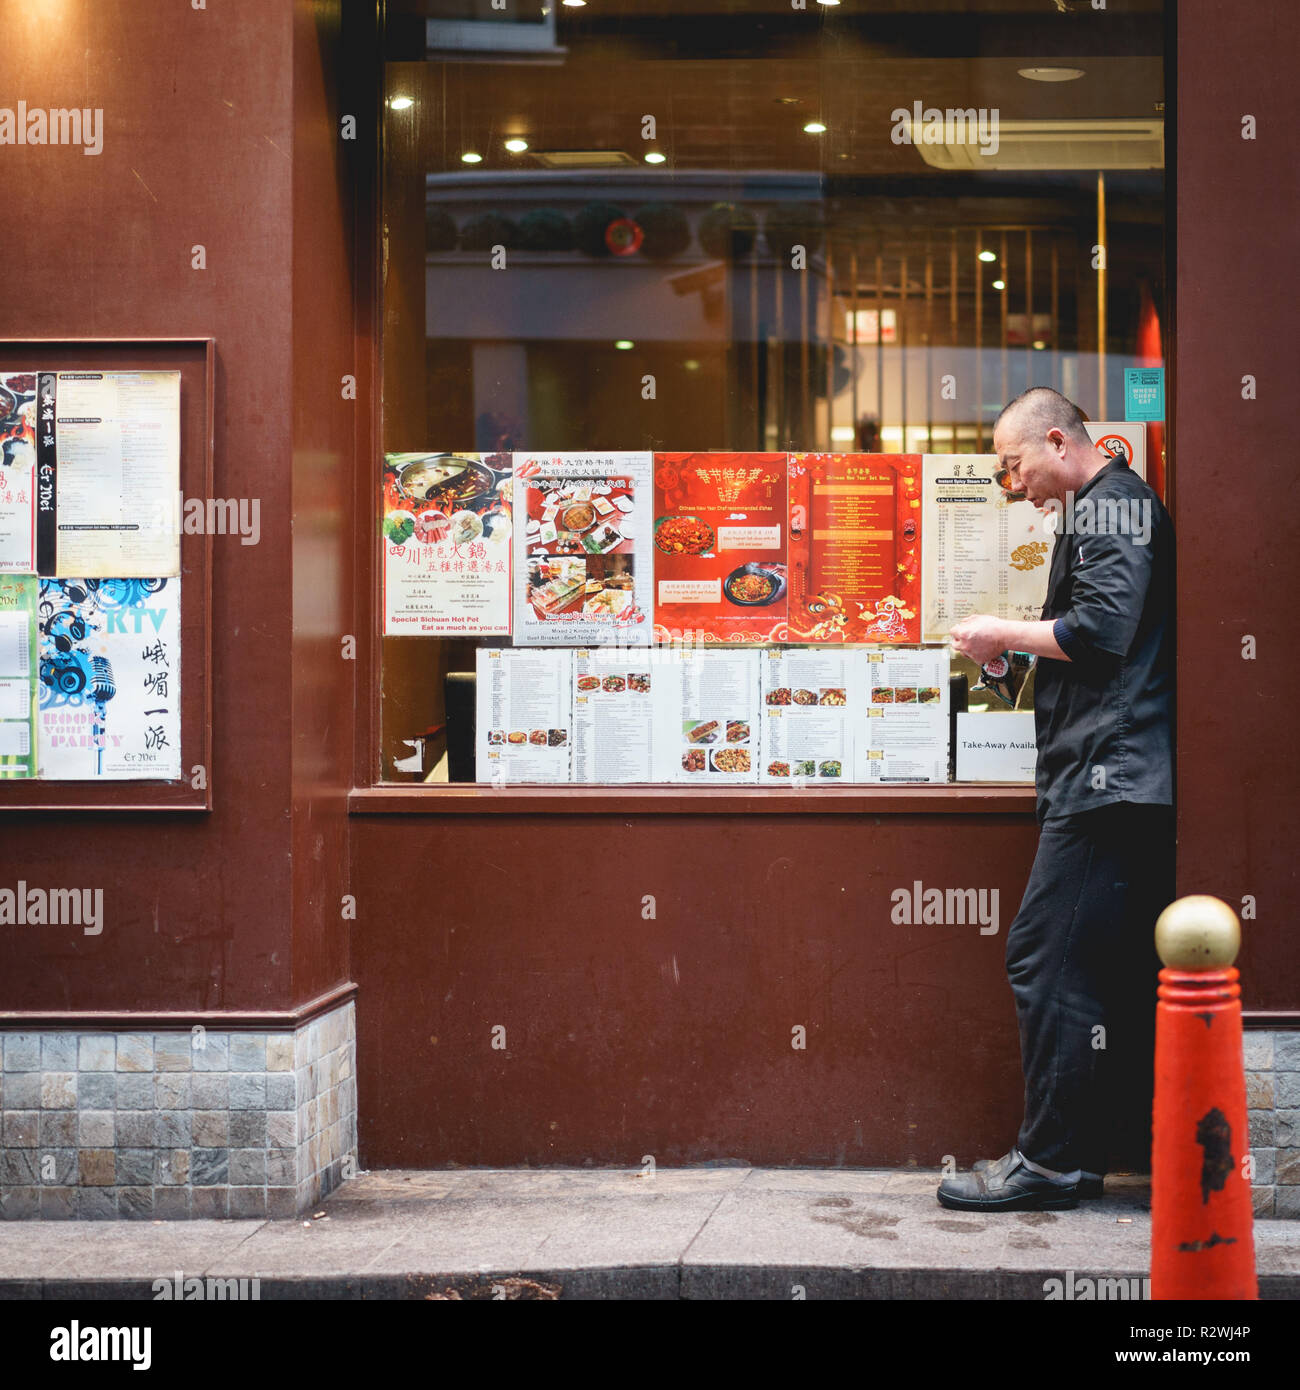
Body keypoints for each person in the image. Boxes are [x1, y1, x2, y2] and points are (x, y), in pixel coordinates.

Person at [941, 386, 1175, 1212]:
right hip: (1108, 774)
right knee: (1080, 968)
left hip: (1108, 781)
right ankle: (1071, 1163)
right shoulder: (1105, 504)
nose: (1014, 483)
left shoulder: (1113, 508)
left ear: (1054, 440)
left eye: (1014, 465)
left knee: (1043, 959)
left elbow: (1103, 633)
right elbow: (1096, 639)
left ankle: (1047, 1164)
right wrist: (1019, 659)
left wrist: (1002, 633)